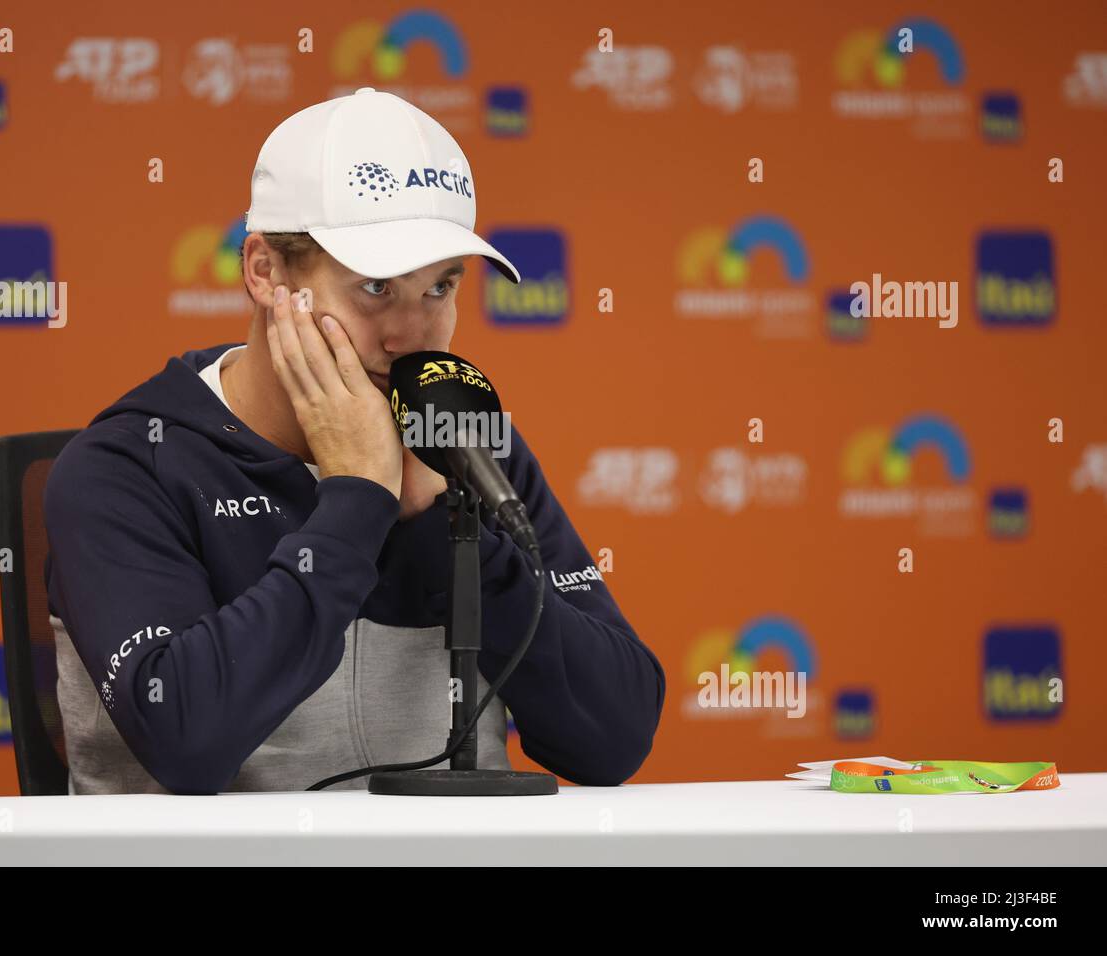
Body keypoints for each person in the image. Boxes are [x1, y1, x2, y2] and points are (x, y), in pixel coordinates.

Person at [43, 87, 665, 795]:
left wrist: (444, 527)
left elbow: (616, 737)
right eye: (375, 287)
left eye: (440, 288)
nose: (411, 337)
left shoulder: (463, 443)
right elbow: (189, 742)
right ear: (266, 273)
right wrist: (356, 501)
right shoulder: (128, 466)